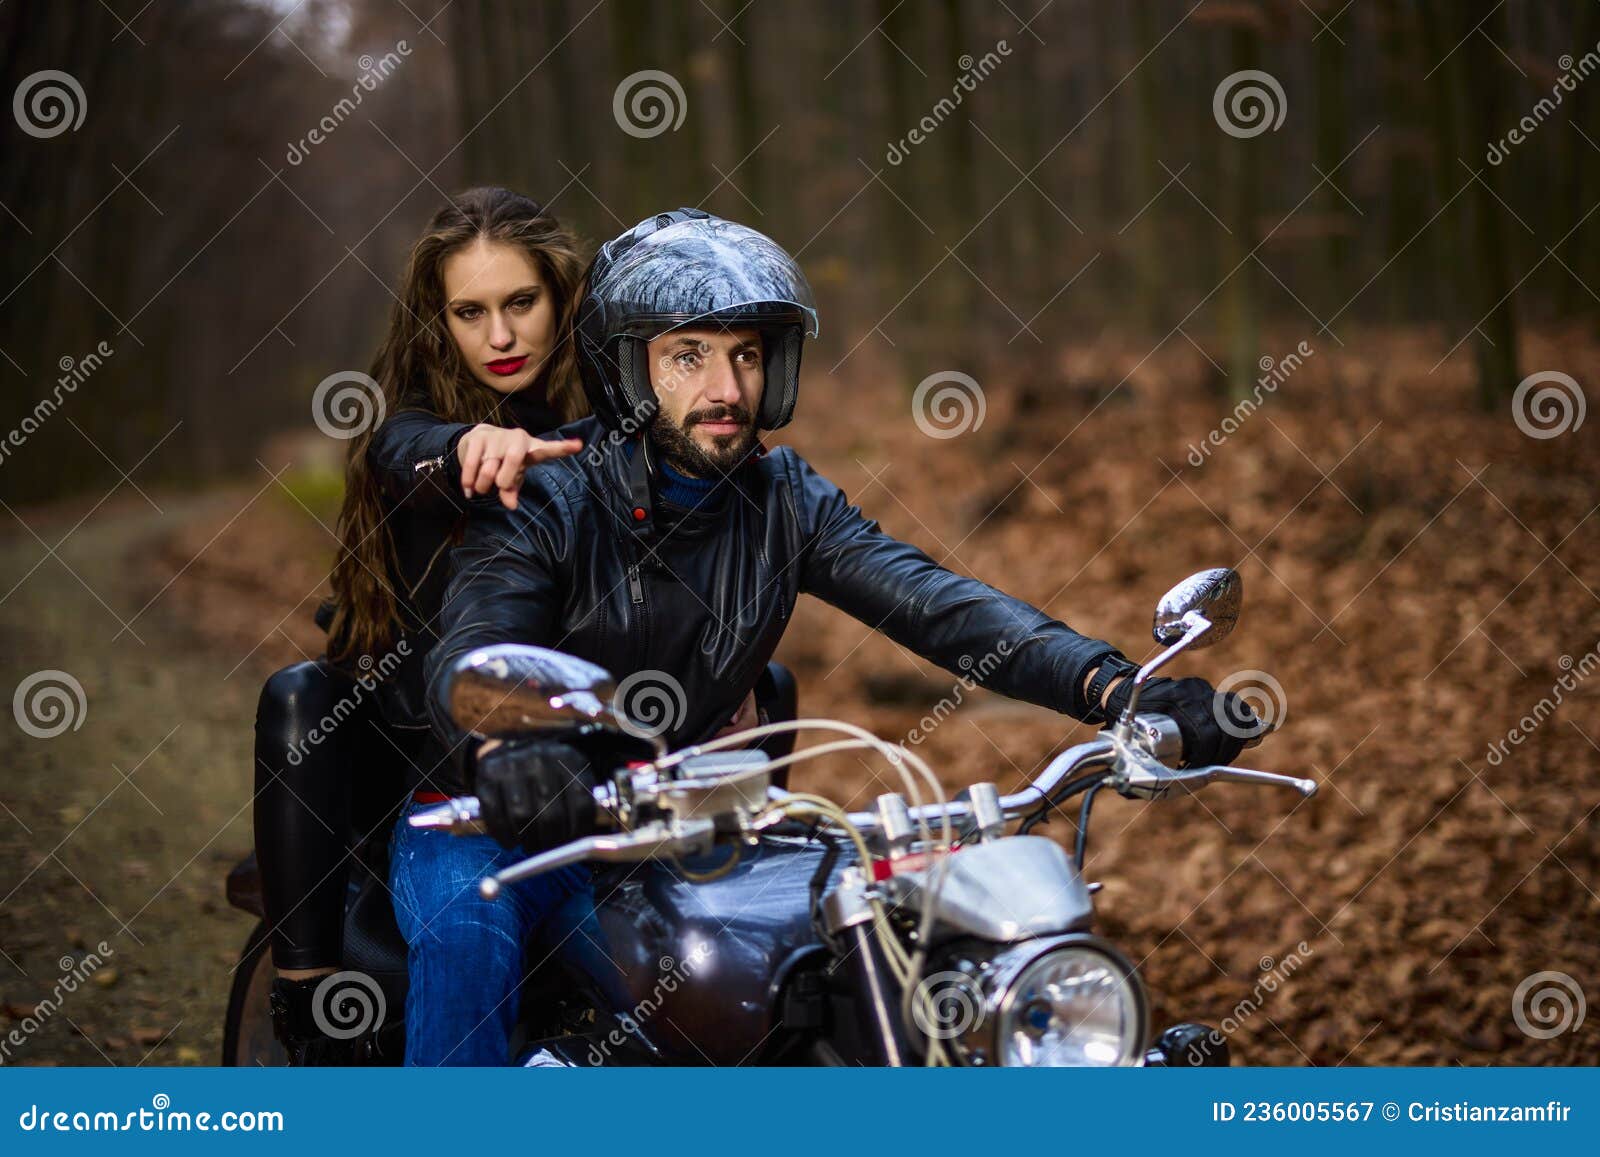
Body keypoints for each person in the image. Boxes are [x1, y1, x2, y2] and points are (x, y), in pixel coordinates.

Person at [399, 208, 1261, 1066]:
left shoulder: (784, 498)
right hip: (502, 819)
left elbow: (937, 604)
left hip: (686, 824)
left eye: (745, 354)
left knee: (846, 950)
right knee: (468, 926)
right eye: (688, 356)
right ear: (628, 371)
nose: (727, 389)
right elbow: (476, 642)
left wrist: (1114, 687)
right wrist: (503, 748)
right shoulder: (546, 498)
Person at [252, 187, 591, 1064]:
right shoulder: (412, 422)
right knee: (468, 923)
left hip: (599, 770)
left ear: (560, 294)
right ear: (441, 322)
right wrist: (473, 448)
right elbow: (413, 453)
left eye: (521, 303)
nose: (502, 336)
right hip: (440, 777)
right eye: (471, 313)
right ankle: (307, 1003)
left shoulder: (612, 410)